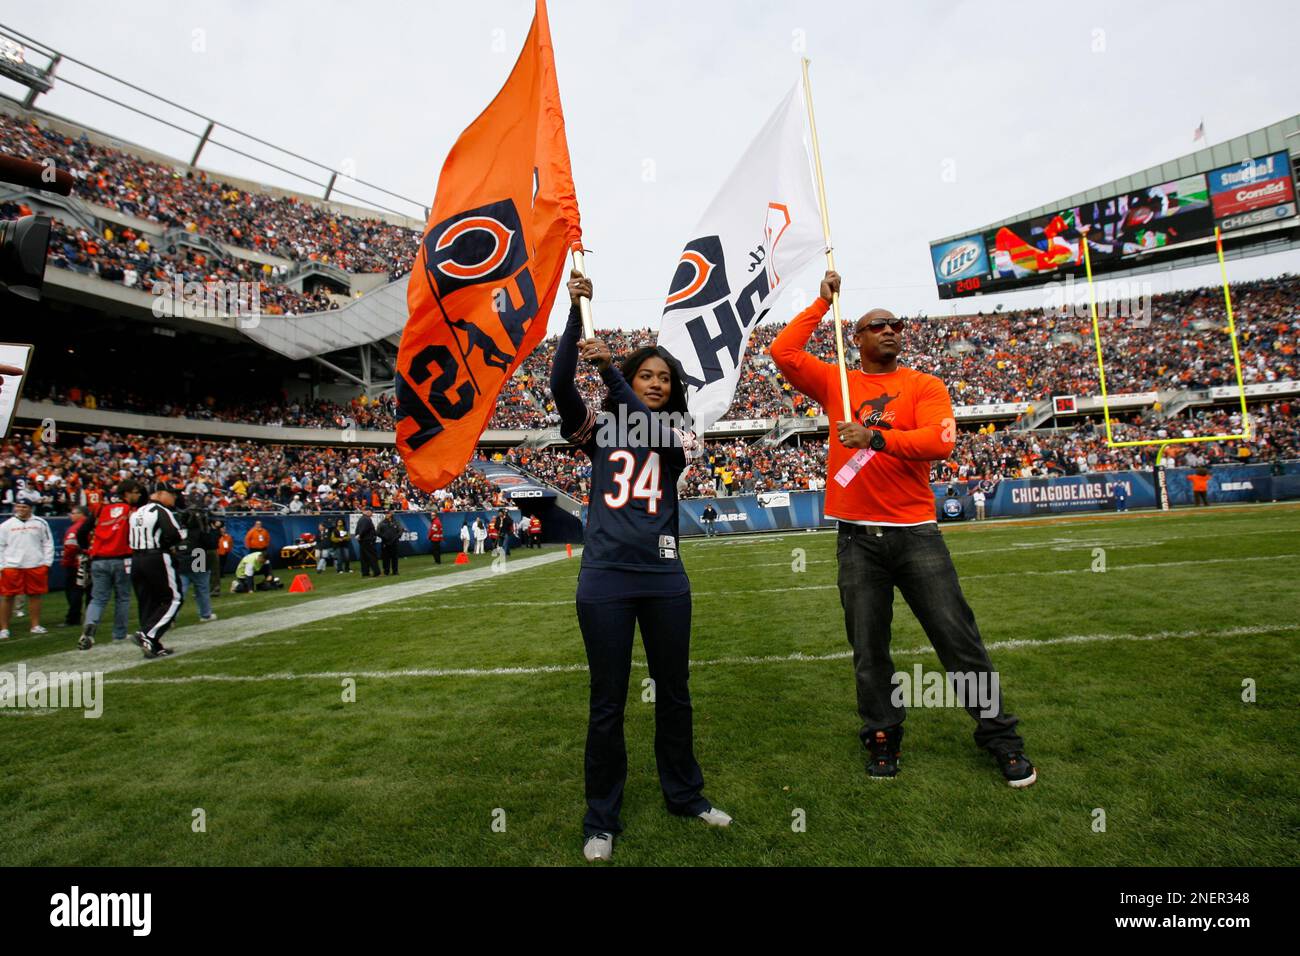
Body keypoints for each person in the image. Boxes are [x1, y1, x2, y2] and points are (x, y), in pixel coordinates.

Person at [770, 270, 1036, 788]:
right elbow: (783, 352)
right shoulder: (837, 382)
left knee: (959, 642)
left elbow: (940, 442)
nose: (890, 330)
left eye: (895, 325)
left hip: (916, 532)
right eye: (877, 325)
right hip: (857, 538)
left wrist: (874, 437)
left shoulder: (924, 385)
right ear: (859, 339)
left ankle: (1001, 737)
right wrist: (821, 304)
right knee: (870, 649)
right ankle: (882, 735)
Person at [550, 270, 730, 864]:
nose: (655, 383)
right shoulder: (601, 429)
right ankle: (601, 816)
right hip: (604, 576)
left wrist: (608, 369)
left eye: (664, 377)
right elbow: (559, 386)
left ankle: (686, 795)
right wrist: (577, 315)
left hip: (663, 577)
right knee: (608, 701)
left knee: (674, 693)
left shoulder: (681, 430)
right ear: (630, 379)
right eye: (644, 374)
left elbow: (651, 430)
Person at [79, 479, 142, 649]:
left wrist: (86, 549)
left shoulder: (100, 509)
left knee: (98, 598)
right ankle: (119, 633)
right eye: (136, 492)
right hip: (122, 558)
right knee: (122, 598)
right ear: (127, 493)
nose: (138, 495)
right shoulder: (131, 511)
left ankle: (89, 629)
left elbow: (82, 531)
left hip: (99, 559)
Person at [127, 483, 185, 658]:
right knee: (174, 598)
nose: (174, 498)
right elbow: (173, 534)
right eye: (172, 494)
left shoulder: (137, 512)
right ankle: (148, 635)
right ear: (160, 493)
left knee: (147, 602)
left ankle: (151, 645)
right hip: (156, 556)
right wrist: (172, 545)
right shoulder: (161, 511)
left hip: (136, 559)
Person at [0, 500, 55, 639]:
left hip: (35, 564)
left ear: (31, 508)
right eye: (18, 506)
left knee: (35, 595)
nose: (21, 509)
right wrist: (2, 565)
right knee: (8, 596)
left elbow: (48, 543)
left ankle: (35, 625)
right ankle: (4, 628)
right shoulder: (6, 525)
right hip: (12, 565)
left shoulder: (40, 523)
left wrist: (47, 563)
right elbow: (0, 546)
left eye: (24, 507)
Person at [61, 505, 93, 626]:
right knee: (90, 592)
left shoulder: (75, 528)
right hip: (91, 561)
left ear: (82, 514)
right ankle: (91, 617)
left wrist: (66, 562)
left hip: (77, 563)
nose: (71, 515)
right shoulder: (93, 525)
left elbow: (71, 546)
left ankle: (73, 618)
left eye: (74, 513)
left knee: (74, 591)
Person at [355, 508, 381, 577]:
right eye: (371, 512)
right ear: (368, 512)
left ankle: (365, 572)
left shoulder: (361, 519)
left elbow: (357, 530)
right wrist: (360, 535)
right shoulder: (366, 519)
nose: (372, 514)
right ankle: (376, 572)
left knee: (364, 558)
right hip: (368, 540)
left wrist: (358, 536)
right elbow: (364, 529)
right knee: (372, 557)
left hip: (363, 541)